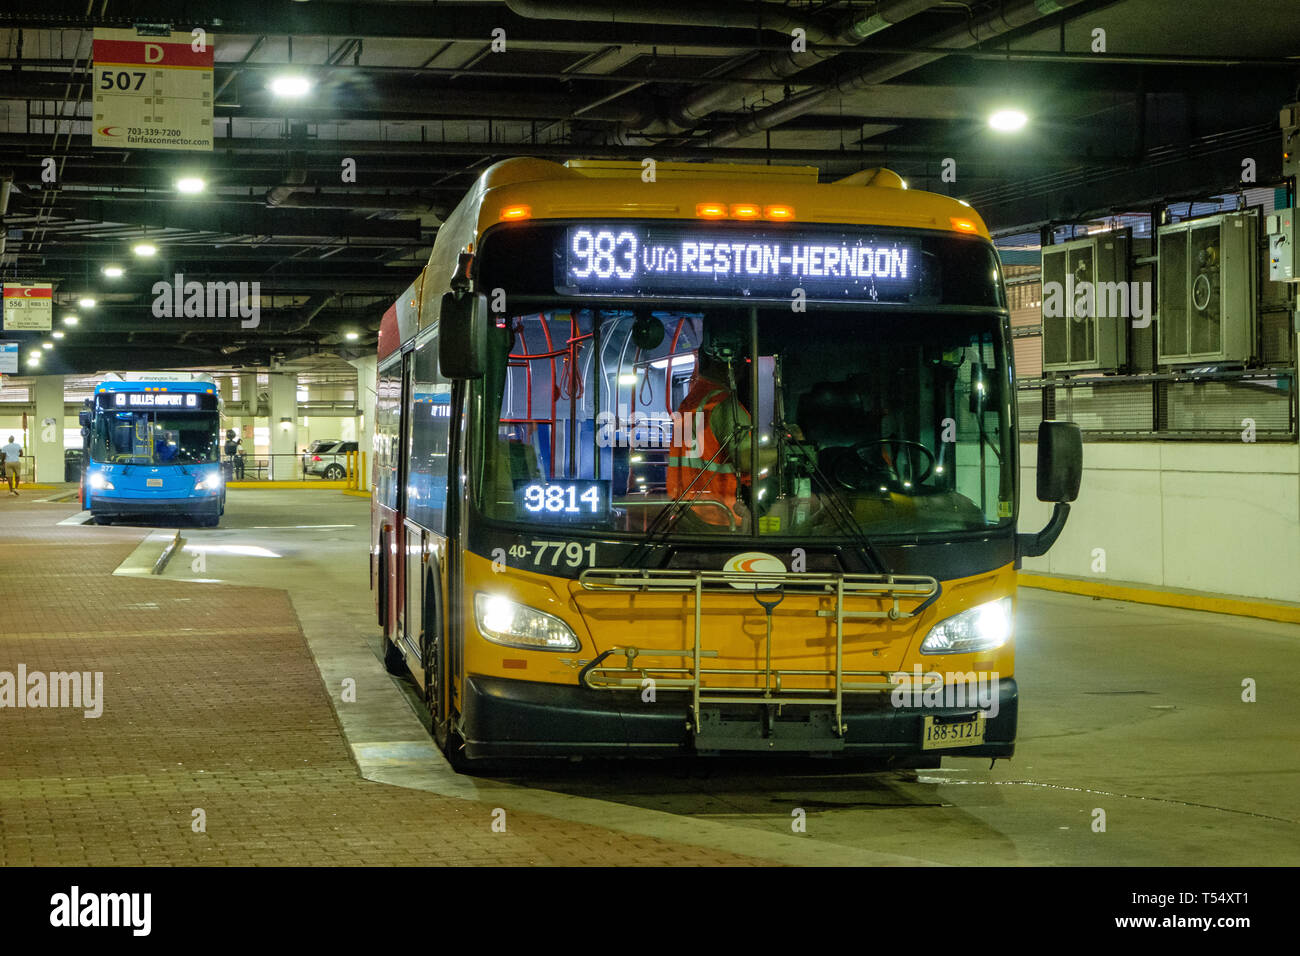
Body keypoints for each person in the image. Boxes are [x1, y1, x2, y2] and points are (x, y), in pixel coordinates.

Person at [666, 323, 797, 527]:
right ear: (733, 364)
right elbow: (745, 459)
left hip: (688, 511)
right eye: (744, 362)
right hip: (719, 515)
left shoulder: (691, 402)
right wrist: (790, 451)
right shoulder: (724, 404)